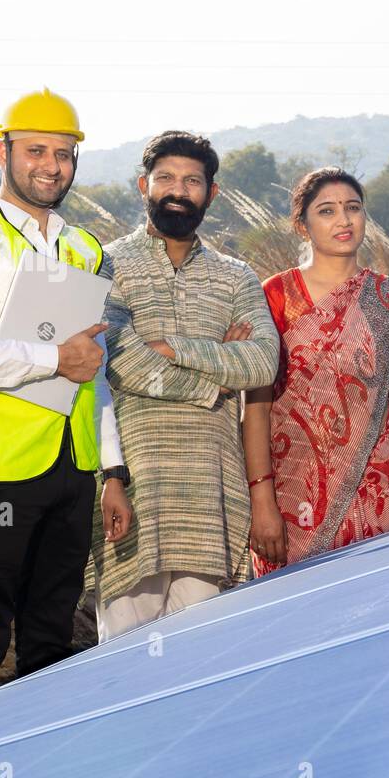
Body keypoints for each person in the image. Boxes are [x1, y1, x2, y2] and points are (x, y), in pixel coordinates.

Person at [0, 88, 132, 711]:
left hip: (72, 467)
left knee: (52, 632)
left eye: (64, 154)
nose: (51, 165)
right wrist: (48, 359)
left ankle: (42, 771)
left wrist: (112, 470)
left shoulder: (86, 248)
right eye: (36, 150)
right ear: (3, 150)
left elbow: (92, 368)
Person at [91, 131, 279, 640]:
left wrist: (175, 347)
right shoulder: (102, 264)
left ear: (211, 194)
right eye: (166, 178)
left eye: (192, 181)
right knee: (122, 659)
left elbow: (263, 362)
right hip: (134, 484)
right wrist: (217, 375)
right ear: (142, 186)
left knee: (198, 656)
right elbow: (118, 361)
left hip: (212, 490)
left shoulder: (236, 276)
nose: (179, 190)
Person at [243, 167, 389, 576]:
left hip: (380, 496)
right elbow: (254, 409)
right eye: (327, 211)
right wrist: (262, 505)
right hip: (294, 505)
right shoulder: (272, 297)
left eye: (353, 208)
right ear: (302, 226)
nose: (344, 220)